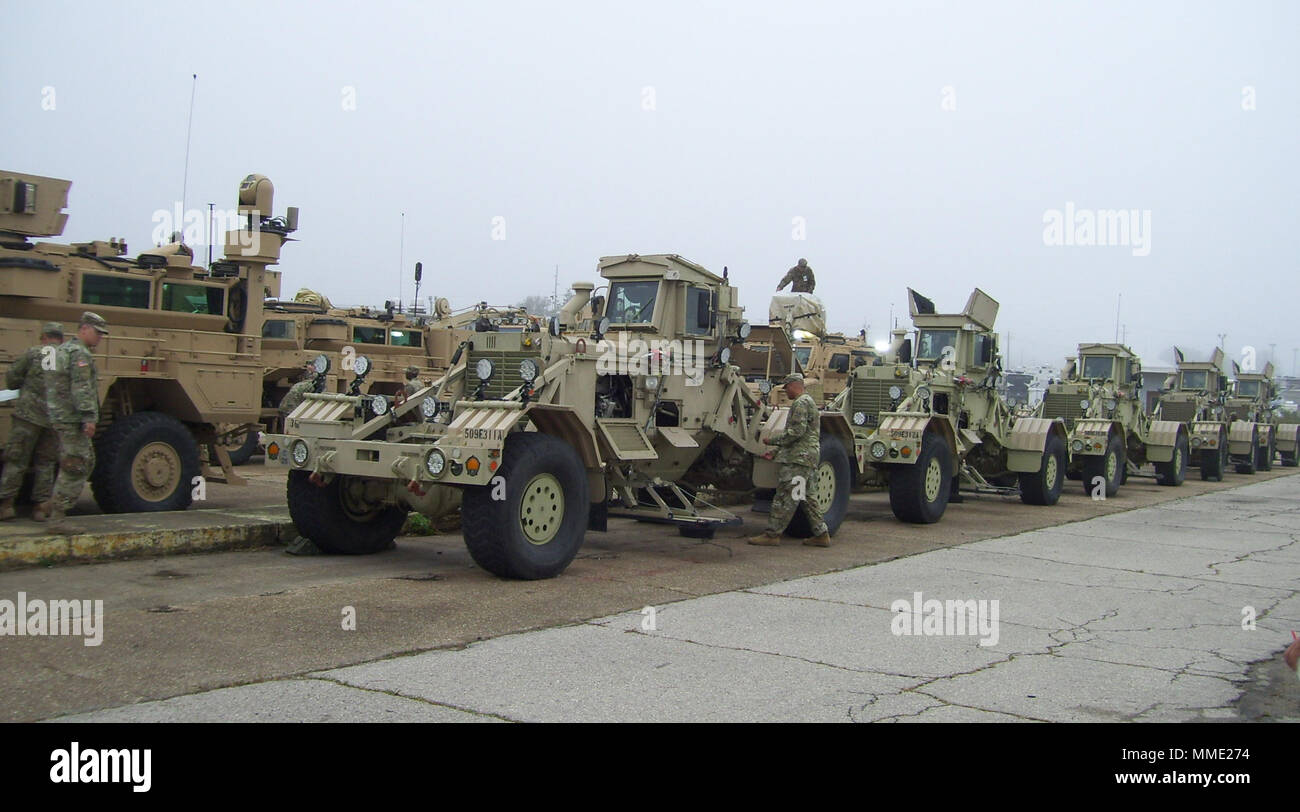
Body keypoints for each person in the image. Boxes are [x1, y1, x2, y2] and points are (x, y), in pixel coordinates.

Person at [748, 372, 831, 547]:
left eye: (787, 389)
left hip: (798, 460)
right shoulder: (808, 402)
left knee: (785, 497)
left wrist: (771, 441)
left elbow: (796, 432)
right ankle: (822, 534)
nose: (786, 392)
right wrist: (777, 452)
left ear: (794, 385)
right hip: (806, 457)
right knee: (807, 498)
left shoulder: (801, 403)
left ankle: (772, 535)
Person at [45, 313, 108, 535]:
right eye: (97, 332)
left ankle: (52, 504)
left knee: (80, 461)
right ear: (84, 329)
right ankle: (58, 518)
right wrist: (89, 417)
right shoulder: (79, 353)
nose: (100, 337)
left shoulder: (63, 349)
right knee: (77, 464)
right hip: (72, 418)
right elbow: (81, 387)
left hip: (60, 416)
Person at [0, 323, 65, 521]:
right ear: (61, 340)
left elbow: (12, 380)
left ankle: (6, 505)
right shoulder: (68, 358)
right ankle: (40, 507)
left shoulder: (33, 353)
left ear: (43, 336)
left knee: (16, 459)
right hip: (54, 419)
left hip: (27, 417)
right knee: (45, 463)